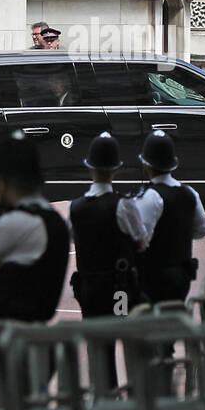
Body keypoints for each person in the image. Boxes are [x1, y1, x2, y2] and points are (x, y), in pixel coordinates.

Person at [0, 132, 71, 324]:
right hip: (39, 332)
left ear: (4, 182)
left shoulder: (16, 222)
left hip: (9, 336)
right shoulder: (54, 219)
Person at [68, 133, 141, 387]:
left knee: (98, 348)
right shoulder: (123, 205)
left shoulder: (76, 207)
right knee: (130, 343)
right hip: (120, 288)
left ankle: (103, 396)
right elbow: (140, 240)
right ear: (116, 169)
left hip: (89, 288)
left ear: (90, 167)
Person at [118, 130, 205, 307]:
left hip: (154, 276)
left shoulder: (151, 196)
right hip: (182, 274)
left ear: (147, 165)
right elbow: (201, 230)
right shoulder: (189, 193)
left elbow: (142, 238)